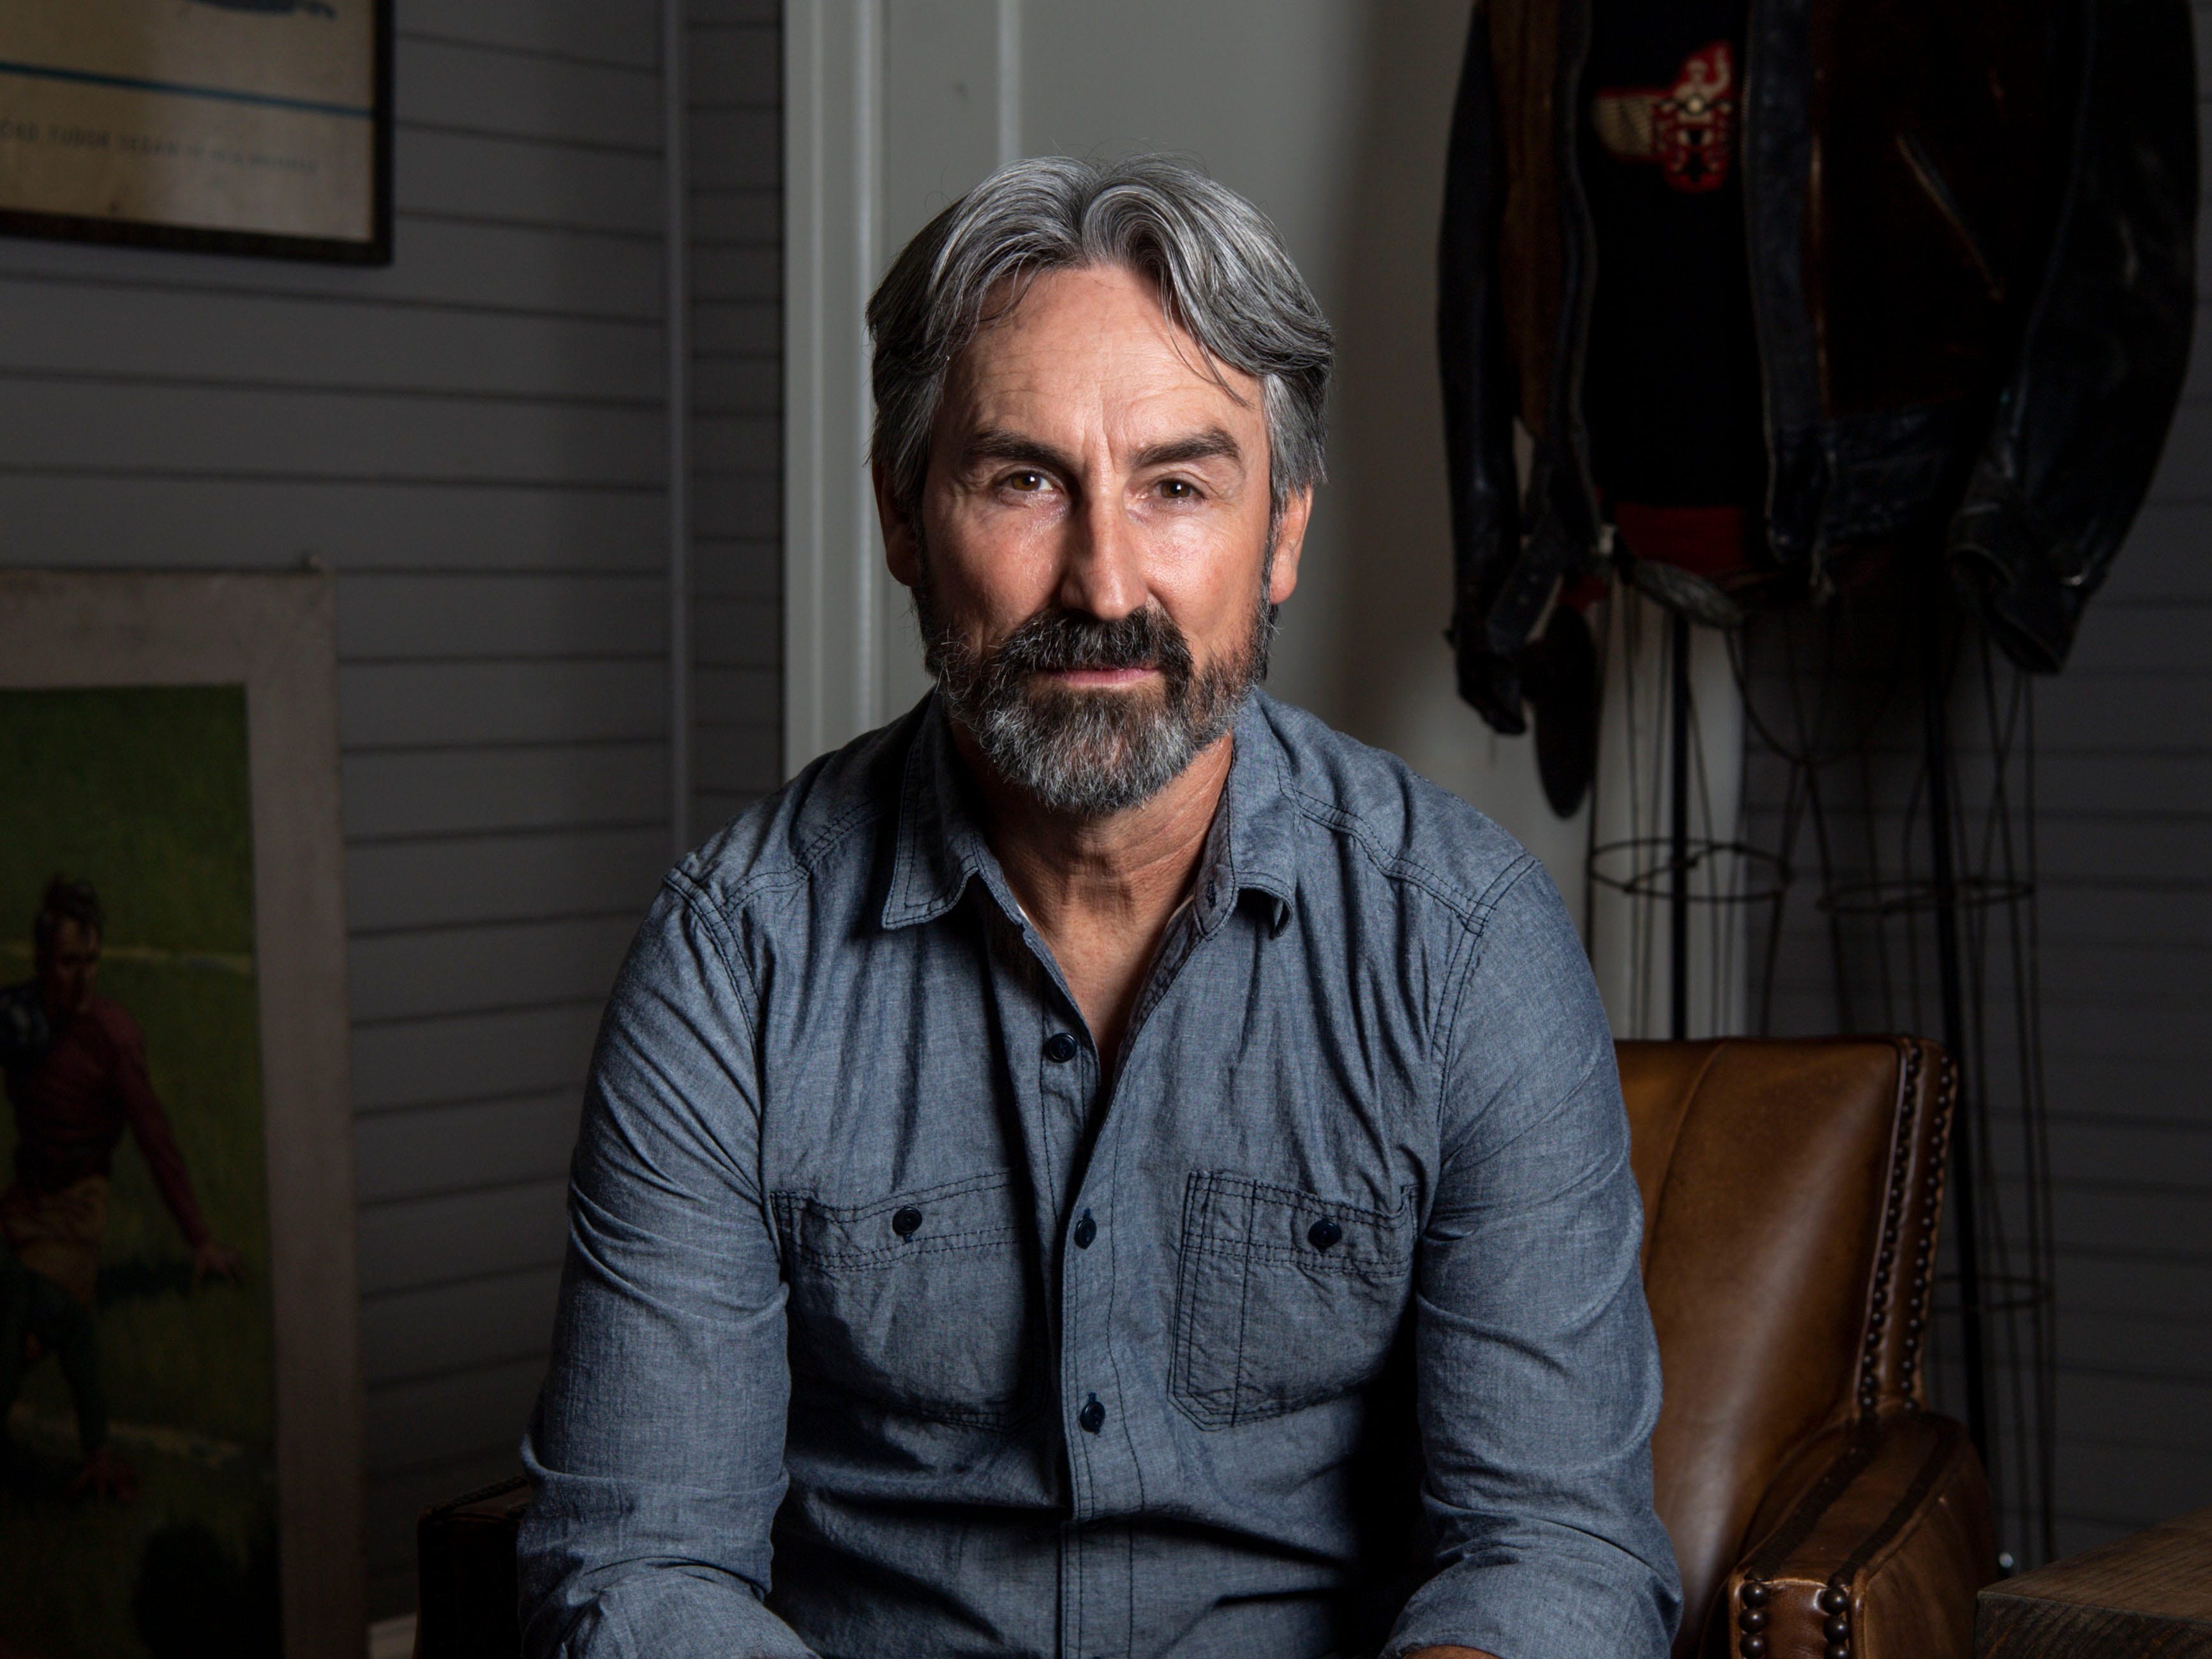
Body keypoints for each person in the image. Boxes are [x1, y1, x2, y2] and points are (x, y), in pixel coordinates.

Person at [520, 156, 1681, 1658]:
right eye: (1024, 481)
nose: (1104, 580)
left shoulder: (1462, 947)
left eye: (1177, 487)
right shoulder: (732, 960)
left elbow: (1553, 1550)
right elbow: (641, 1561)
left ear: (1282, 532)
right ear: (900, 516)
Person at [0, 877, 244, 1498]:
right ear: (42, 960)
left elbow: (153, 1135)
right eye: (68, 962)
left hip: (75, 1207)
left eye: (91, 960)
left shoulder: (112, 1036)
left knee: (33, 1324)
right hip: (24, 1195)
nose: (82, 977)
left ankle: (80, 1453)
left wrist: (199, 1238)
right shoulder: (18, 1019)